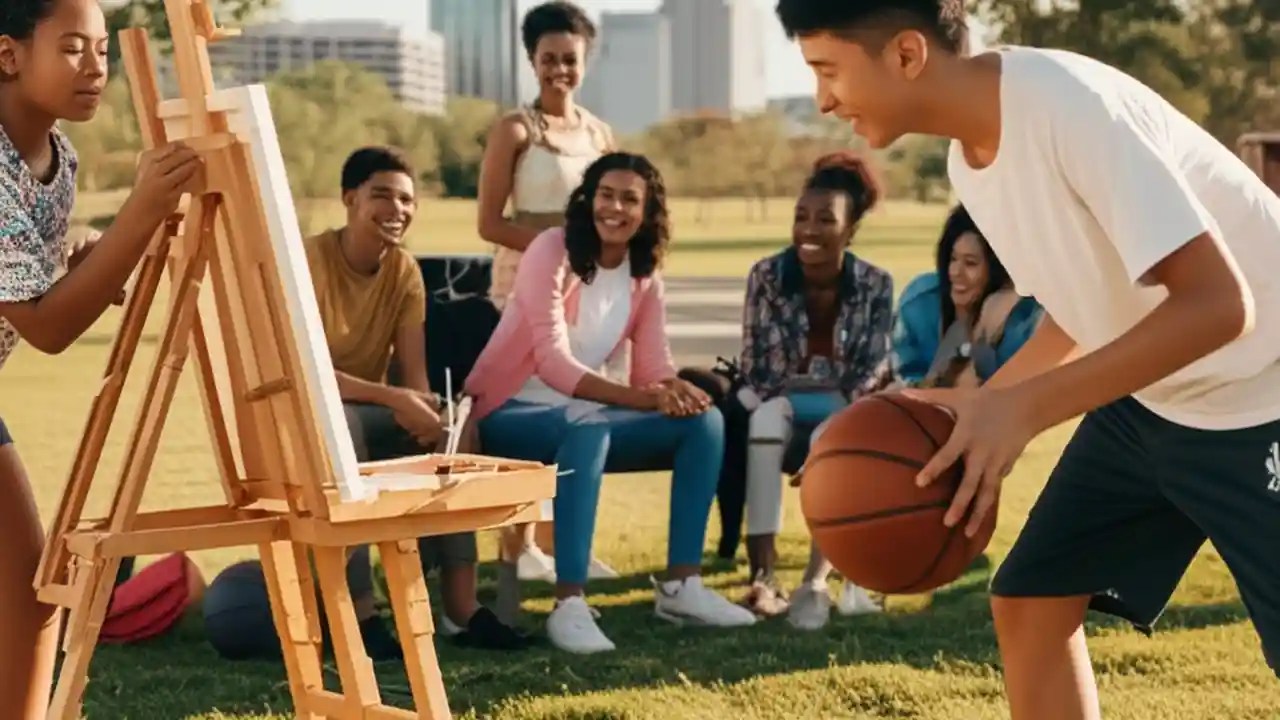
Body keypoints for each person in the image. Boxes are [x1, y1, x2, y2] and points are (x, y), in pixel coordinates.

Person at [776, 1, 1280, 718]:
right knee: (1032, 600)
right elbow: (1082, 307)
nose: (823, 98)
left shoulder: (1069, 109)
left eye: (828, 71)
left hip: (1263, 396)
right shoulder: (973, 160)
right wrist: (987, 404)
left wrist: (1022, 410)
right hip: (1158, 400)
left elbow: (1220, 307)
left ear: (907, 55)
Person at [463, 152, 758, 654]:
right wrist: (641, 397)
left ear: (647, 212)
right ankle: (570, 602)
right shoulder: (549, 249)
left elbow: (651, 368)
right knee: (588, 426)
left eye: (629, 199)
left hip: (583, 414)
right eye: (606, 194)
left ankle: (682, 587)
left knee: (703, 423)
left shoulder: (644, 276)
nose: (615, 208)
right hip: (505, 409)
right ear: (587, 199)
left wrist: (673, 391)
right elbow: (553, 362)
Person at [0, 0, 204, 714]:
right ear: (9, 56)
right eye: (74, 48)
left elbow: (34, 290)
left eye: (104, 51)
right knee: (28, 593)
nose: (96, 68)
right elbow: (50, 326)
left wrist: (93, 264)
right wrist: (141, 213)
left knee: (29, 598)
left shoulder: (60, 156)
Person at [305, 146, 529, 655]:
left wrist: (439, 416)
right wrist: (396, 398)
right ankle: (360, 613)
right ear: (349, 199)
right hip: (311, 419)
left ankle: (461, 608)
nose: (397, 209)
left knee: (450, 438)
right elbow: (304, 373)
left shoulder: (404, 271)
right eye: (381, 195)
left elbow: (417, 377)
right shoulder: (311, 259)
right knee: (345, 430)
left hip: (367, 410)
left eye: (407, 200)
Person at [476, 0, 616, 585]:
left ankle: (568, 544)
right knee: (527, 408)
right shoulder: (514, 130)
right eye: (549, 58)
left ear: (587, 61)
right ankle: (518, 545)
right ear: (532, 61)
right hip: (525, 284)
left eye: (570, 59)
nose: (560, 69)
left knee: (581, 408)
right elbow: (489, 222)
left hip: (590, 287)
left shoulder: (601, 134)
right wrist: (558, 246)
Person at [733, 151, 895, 628]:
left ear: (850, 229)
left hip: (843, 402)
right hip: (778, 397)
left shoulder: (876, 284)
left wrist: (844, 415)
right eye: (801, 216)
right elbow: (754, 362)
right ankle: (763, 577)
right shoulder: (766, 276)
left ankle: (814, 581)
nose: (809, 230)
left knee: (833, 435)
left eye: (826, 219)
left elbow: (875, 366)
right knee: (763, 422)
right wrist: (777, 396)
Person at [893, 204, 1042, 388]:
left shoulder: (1024, 320)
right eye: (953, 259)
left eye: (970, 263)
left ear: (1001, 270)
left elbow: (1021, 399)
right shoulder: (920, 303)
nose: (955, 272)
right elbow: (902, 383)